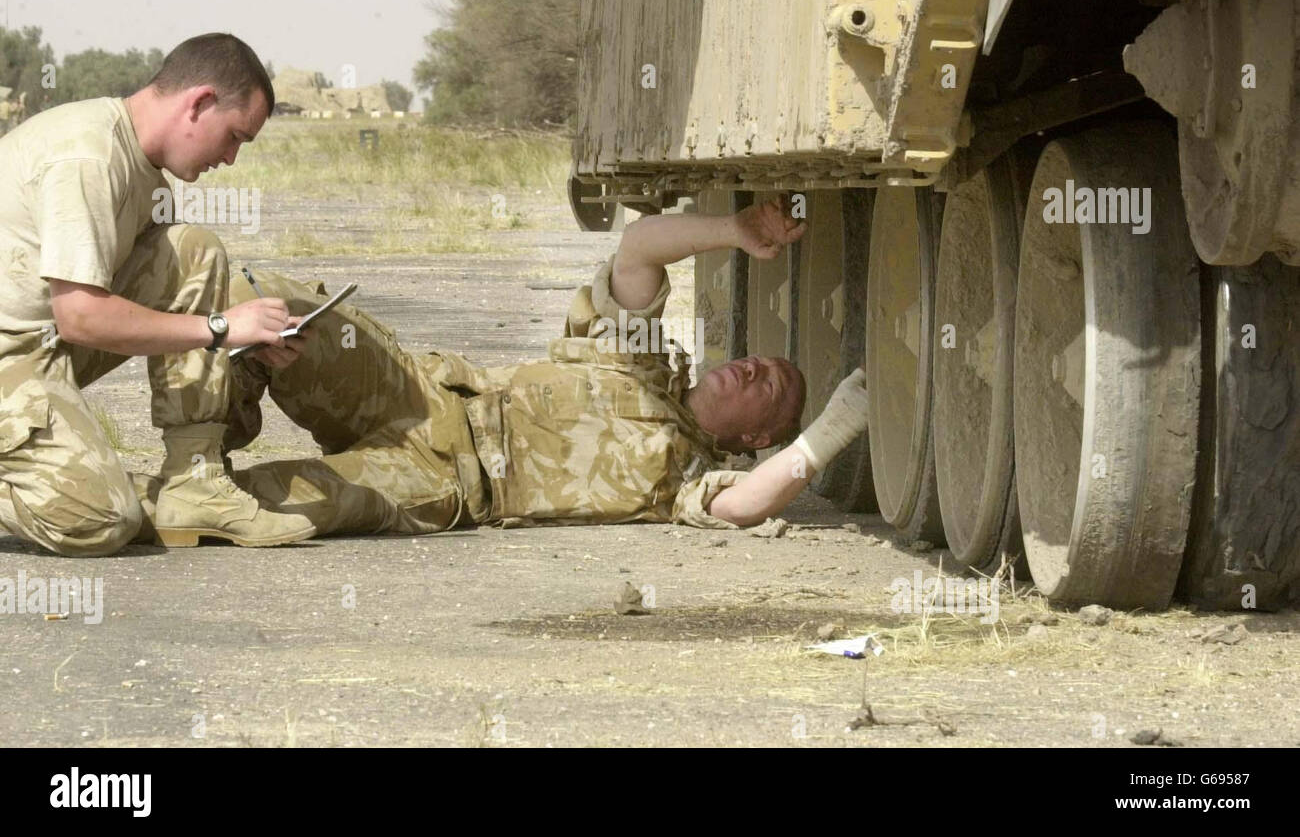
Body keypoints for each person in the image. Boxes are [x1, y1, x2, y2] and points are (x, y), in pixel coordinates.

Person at [203, 196, 871, 536]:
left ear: (755, 440)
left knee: (234, 511)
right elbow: (638, 251)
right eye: (756, 361)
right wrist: (732, 229)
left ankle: (129, 504)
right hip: (419, 394)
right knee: (267, 303)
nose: (749, 370)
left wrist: (836, 425)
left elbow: (746, 504)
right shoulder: (639, 361)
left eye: (768, 385)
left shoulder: (687, 476)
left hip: (443, 480)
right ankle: (202, 438)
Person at [0, 33, 318, 557]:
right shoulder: (88, 156)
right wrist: (217, 329)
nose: (232, 159)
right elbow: (80, 316)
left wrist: (240, 344)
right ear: (199, 102)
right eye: (235, 136)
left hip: (39, 343)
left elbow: (164, 298)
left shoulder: (145, 173)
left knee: (193, 251)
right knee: (100, 519)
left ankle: (194, 486)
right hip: (18, 351)